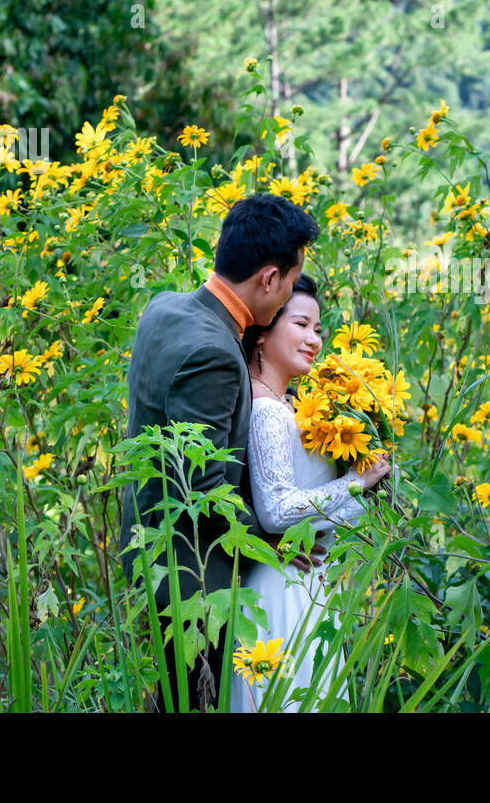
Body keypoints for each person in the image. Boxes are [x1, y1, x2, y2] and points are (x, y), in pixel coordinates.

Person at [119, 193, 319, 712]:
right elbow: (203, 486)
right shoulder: (215, 353)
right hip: (192, 578)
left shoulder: (164, 307)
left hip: (148, 550)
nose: (287, 301)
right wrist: (273, 543)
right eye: (291, 283)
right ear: (269, 279)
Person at [230, 274, 391, 712]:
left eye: (318, 329)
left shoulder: (291, 405)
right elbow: (277, 510)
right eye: (301, 324)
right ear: (262, 333)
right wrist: (357, 482)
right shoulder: (266, 411)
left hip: (305, 580)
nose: (314, 339)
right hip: (281, 587)